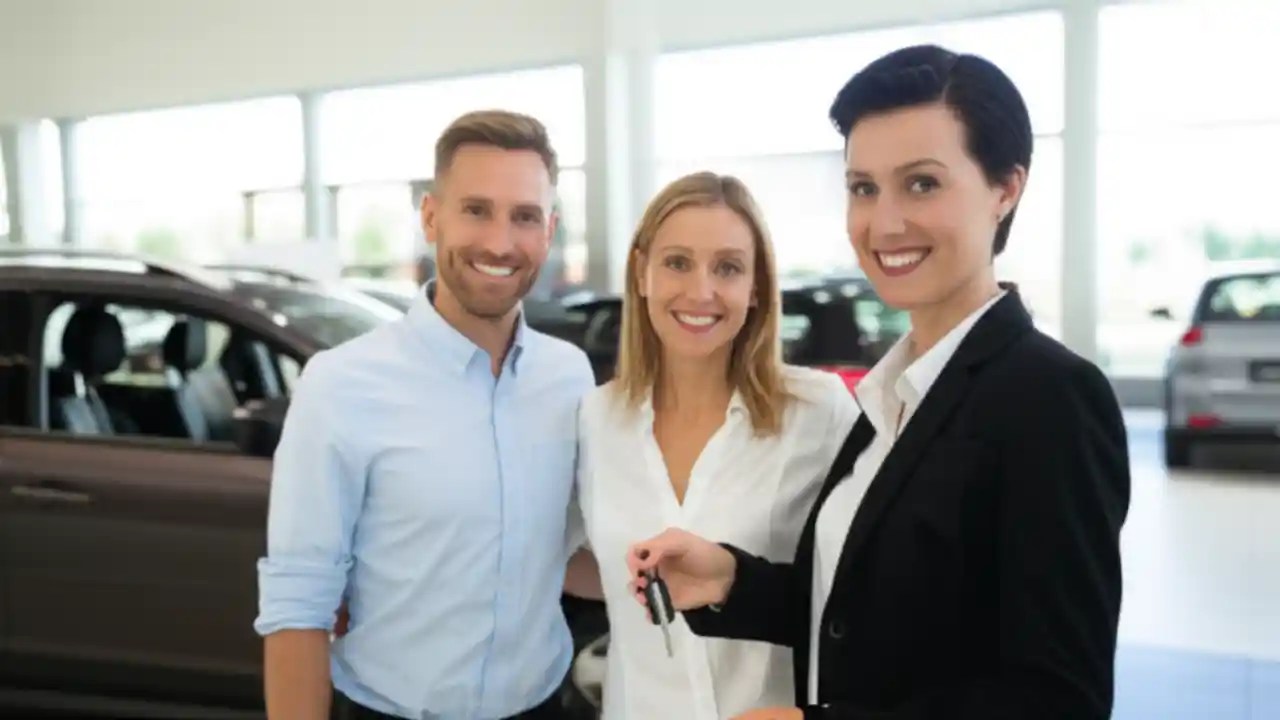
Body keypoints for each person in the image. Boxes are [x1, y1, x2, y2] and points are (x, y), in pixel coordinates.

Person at [626, 45, 1131, 720]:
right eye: (864, 187)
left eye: (921, 183)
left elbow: (1057, 699)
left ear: (1006, 189)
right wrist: (730, 581)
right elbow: (861, 614)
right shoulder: (890, 396)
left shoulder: (1050, 399)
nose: (883, 223)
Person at [254, 109, 596, 720]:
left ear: (550, 230)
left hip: (545, 706)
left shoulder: (568, 377)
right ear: (431, 217)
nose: (498, 242)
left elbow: (560, 553)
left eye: (523, 216)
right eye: (476, 210)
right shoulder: (341, 384)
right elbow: (298, 605)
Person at [562, 172, 858, 719]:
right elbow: (579, 563)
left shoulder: (820, 413)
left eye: (727, 267)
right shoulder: (594, 418)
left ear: (756, 287)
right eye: (678, 262)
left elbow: (872, 595)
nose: (701, 291)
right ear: (642, 272)